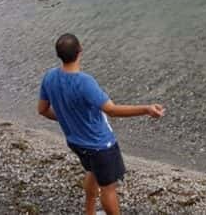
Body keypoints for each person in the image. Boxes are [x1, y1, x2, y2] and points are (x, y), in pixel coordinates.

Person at [38, 33, 165, 215]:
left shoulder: (49, 77)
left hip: (76, 142)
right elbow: (111, 110)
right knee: (108, 188)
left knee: (93, 172)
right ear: (80, 51)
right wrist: (146, 109)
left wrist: (68, 118)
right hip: (100, 145)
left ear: (59, 54)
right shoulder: (84, 82)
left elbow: (42, 109)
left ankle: (89, 212)